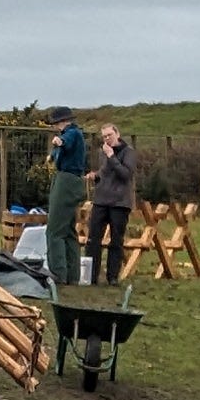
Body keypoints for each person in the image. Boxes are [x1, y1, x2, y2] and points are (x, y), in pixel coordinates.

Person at [85, 121, 137, 287]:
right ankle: (91, 276)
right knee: (93, 239)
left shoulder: (128, 152)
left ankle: (112, 277)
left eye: (109, 135)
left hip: (120, 202)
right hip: (101, 200)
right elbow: (105, 172)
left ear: (117, 134)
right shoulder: (103, 152)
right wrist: (96, 176)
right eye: (104, 136)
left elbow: (125, 174)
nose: (107, 139)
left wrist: (112, 157)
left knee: (116, 240)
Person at [44, 108, 92, 283]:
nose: (57, 127)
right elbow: (61, 150)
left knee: (54, 231)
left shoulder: (72, 133)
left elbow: (65, 142)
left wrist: (59, 142)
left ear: (64, 121)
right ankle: (73, 276)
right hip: (72, 181)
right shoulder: (74, 133)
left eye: (57, 123)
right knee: (69, 231)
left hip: (66, 181)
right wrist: (52, 155)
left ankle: (57, 275)